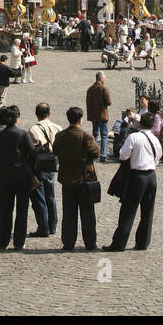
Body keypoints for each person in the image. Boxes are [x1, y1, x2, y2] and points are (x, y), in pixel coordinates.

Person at [104, 111, 162, 252]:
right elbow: (158, 157)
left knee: (128, 211)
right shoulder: (155, 139)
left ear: (139, 123)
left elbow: (123, 155)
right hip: (151, 176)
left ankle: (119, 244)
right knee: (147, 211)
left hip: (137, 176)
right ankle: (143, 243)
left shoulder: (134, 137)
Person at [54, 106, 101, 251]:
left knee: (68, 214)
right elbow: (96, 153)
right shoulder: (85, 136)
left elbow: (55, 150)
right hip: (84, 179)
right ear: (80, 119)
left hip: (67, 179)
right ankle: (90, 243)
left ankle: (68, 243)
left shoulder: (60, 135)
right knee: (87, 214)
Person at [0, 105, 36, 250]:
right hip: (22, 176)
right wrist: (30, 169)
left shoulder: (0, 135)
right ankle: (18, 241)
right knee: (22, 210)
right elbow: (33, 153)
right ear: (17, 118)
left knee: (5, 209)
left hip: (5, 175)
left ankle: (3, 240)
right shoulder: (22, 133)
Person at [29, 103, 61, 238]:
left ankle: (43, 227)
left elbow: (31, 150)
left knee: (39, 198)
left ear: (36, 114)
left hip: (39, 165)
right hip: (52, 163)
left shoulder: (33, 130)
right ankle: (52, 225)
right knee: (50, 196)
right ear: (49, 113)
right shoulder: (57, 127)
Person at [86, 73, 112, 162]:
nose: (105, 79)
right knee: (104, 135)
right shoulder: (103, 88)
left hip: (93, 115)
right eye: (104, 78)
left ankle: (94, 153)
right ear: (101, 79)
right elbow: (108, 102)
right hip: (102, 115)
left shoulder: (90, 89)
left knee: (95, 134)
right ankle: (103, 155)